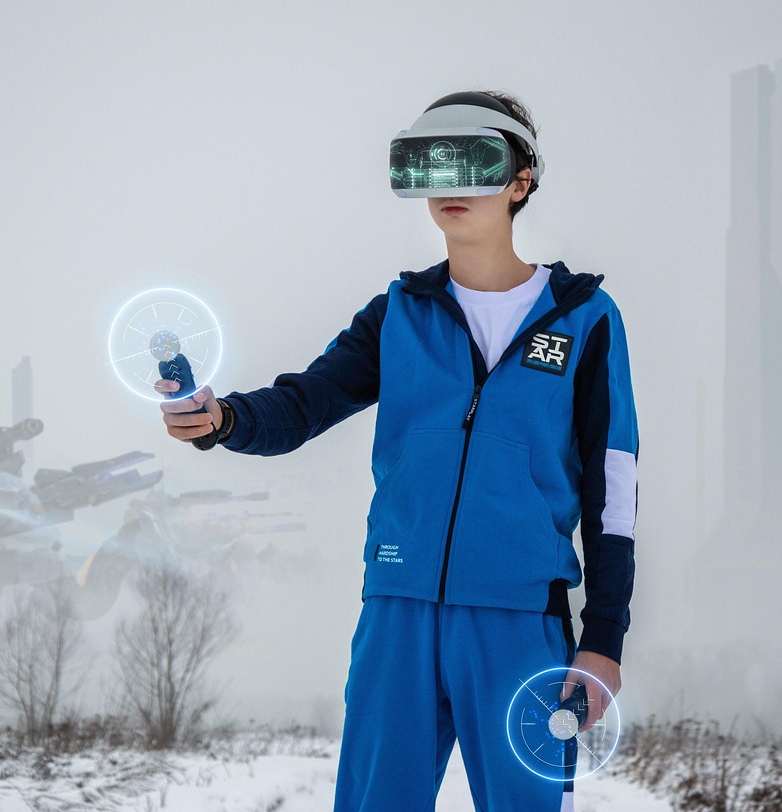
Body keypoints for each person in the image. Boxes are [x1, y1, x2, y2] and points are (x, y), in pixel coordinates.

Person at [157, 90, 639, 812]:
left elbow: (613, 488)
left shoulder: (585, 320)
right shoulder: (399, 315)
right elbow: (304, 403)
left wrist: (603, 636)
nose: (451, 187)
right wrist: (222, 418)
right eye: (433, 167)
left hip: (519, 622)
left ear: (520, 182)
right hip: (396, 615)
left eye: (474, 164)